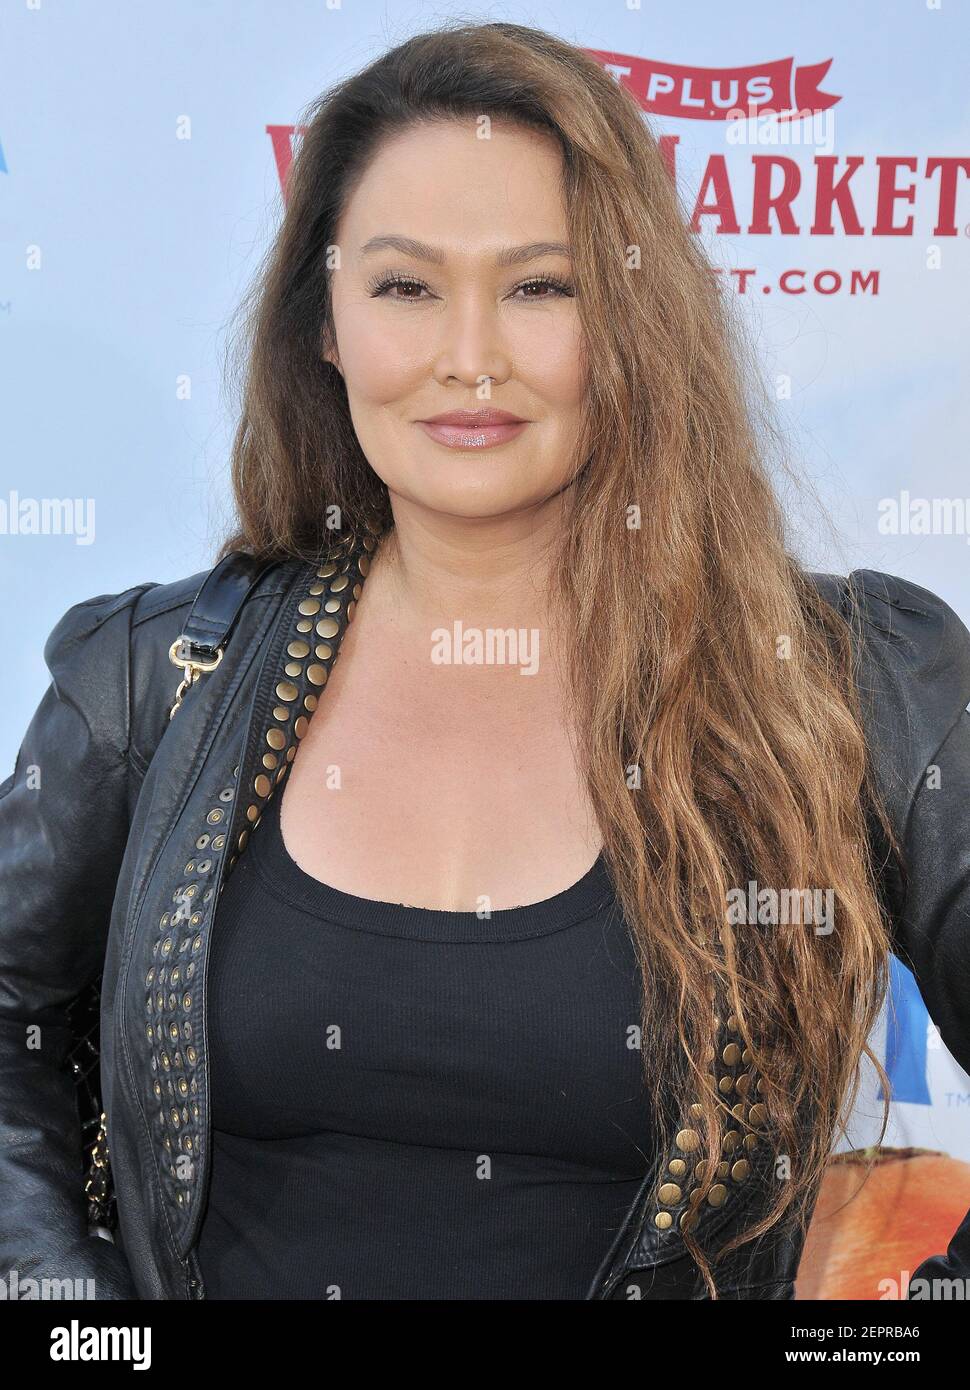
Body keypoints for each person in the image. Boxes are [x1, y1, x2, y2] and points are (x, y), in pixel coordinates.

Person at [1, 20, 969, 1301]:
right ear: (326, 326)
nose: (471, 355)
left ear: (631, 319)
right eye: (404, 286)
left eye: (541, 287)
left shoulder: (847, 687)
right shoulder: (152, 678)